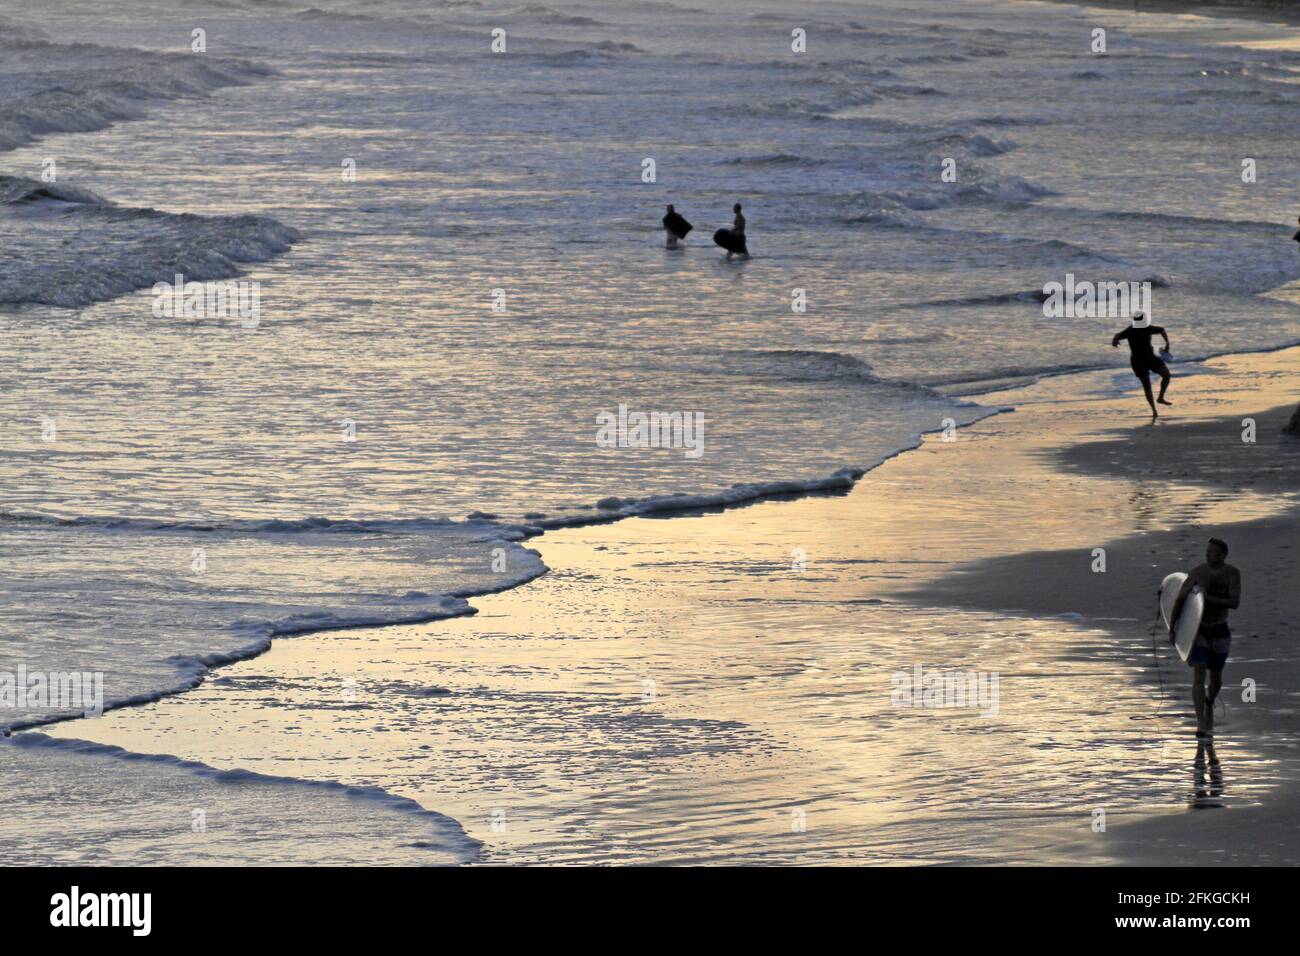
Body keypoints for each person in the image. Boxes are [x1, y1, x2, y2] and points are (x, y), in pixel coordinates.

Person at [1170, 538, 1242, 738]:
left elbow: (1234, 602)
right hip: (1198, 630)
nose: (1207, 554)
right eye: (1207, 551)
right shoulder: (1198, 572)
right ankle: (1201, 723)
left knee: (1216, 679)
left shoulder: (1232, 574)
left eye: (1212, 552)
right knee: (1198, 676)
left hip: (1220, 629)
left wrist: (1206, 598)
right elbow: (1180, 598)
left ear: (1222, 555)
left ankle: (1209, 701)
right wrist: (1173, 627)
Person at [1111, 313, 1171, 417]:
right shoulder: (1132, 329)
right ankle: (1154, 411)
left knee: (1166, 375)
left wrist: (1167, 343)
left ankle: (1160, 398)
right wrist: (1115, 340)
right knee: (1147, 386)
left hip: (1149, 358)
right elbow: (1118, 335)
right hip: (1139, 362)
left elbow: (1162, 329)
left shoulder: (1144, 328)